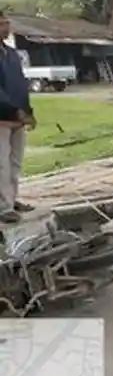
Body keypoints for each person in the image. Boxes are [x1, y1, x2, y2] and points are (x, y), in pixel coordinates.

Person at [0, 12, 35, 223]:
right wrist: (13, 109)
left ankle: (11, 200)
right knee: (1, 164)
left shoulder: (11, 54)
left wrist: (28, 111)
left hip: (17, 118)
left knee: (15, 162)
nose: (7, 27)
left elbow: (20, 84)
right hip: (2, 117)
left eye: (7, 23)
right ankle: (3, 207)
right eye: (2, 24)